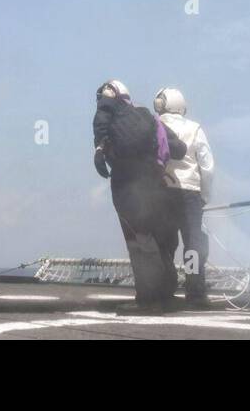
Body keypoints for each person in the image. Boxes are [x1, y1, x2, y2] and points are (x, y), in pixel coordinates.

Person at [92, 79, 185, 311]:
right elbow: (176, 147)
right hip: (154, 180)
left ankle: (148, 299)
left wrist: (100, 152)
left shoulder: (107, 112)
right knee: (157, 238)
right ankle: (165, 294)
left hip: (126, 182)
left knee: (138, 239)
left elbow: (101, 128)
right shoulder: (146, 115)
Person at [153, 87, 215, 307]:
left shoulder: (154, 125)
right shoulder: (195, 128)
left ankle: (164, 290)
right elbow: (207, 166)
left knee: (165, 244)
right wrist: (204, 196)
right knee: (192, 244)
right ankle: (195, 293)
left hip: (162, 191)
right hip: (190, 193)